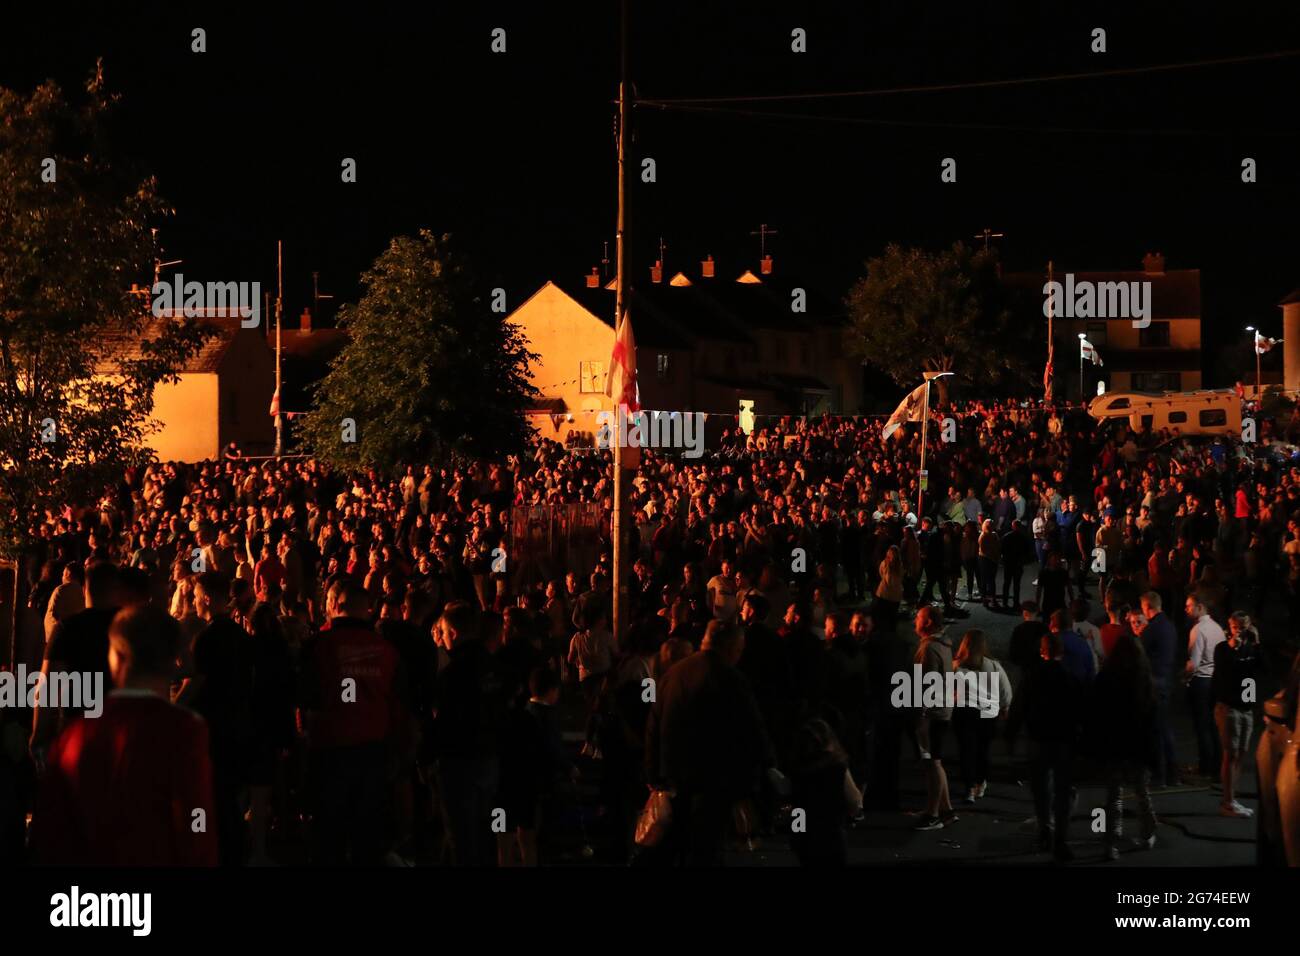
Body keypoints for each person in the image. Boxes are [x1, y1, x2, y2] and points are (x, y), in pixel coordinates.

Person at [31, 605, 218, 866]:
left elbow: (53, 823)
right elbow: (196, 813)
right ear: (173, 659)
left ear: (116, 656)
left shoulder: (77, 733)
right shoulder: (185, 730)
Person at [644, 619, 774, 866]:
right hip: (712, 778)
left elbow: (654, 725)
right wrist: (765, 764)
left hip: (674, 774)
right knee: (707, 846)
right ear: (731, 647)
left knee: (679, 841)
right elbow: (750, 727)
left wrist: (652, 772)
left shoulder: (674, 674)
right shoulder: (729, 678)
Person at [299, 578, 402, 866]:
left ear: (334, 605)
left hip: (330, 750)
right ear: (367, 610)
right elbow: (397, 703)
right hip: (373, 750)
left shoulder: (318, 646)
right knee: (366, 837)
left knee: (327, 836)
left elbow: (306, 700)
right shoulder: (387, 650)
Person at [177, 571, 256, 866]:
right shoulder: (240, 636)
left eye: (196, 596)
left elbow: (196, 683)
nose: (193, 601)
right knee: (229, 801)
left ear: (207, 598)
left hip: (213, 731)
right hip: (238, 727)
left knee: (210, 799)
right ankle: (233, 851)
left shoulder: (207, 638)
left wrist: (174, 709)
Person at [432, 600, 506, 866]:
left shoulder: (453, 673)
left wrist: (430, 753)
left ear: (452, 633)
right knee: (485, 830)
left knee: (461, 833)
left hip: (459, 759)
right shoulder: (494, 665)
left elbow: (444, 719)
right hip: (489, 756)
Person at [1088, 632, 1158, 860]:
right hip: (1137, 745)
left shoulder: (1107, 677)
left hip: (1113, 744)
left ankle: (1110, 843)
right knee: (1141, 793)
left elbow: (1096, 714)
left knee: (1113, 796)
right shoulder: (1144, 679)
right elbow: (1152, 719)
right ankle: (1148, 833)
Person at [1024, 628, 1083, 861]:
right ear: (1061, 652)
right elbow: (1081, 710)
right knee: (1063, 790)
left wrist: (1010, 733)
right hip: (1064, 741)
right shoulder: (1070, 677)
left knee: (1040, 789)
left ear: (1042, 652)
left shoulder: (1032, 675)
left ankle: (1044, 828)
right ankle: (1061, 837)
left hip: (1038, 738)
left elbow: (1021, 704)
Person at [787, 718, 861, 866]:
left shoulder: (798, 771)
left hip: (806, 838)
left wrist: (797, 836)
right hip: (832, 837)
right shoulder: (837, 767)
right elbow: (855, 803)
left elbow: (797, 808)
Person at [953, 629, 1011, 804]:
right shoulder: (993, 665)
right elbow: (1005, 690)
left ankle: (969, 788)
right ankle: (981, 782)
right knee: (983, 749)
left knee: (966, 750)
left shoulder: (956, 665)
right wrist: (1005, 706)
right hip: (987, 710)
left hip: (964, 711)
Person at [912, 606, 956, 831]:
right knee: (936, 761)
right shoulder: (943, 645)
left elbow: (926, 684)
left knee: (932, 763)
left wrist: (920, 715)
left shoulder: (928, 649)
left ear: (928, 622)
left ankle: (933, 814)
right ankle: (946, 809)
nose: (915, 621)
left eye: (918, 617)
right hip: (943, 709)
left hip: (932, 713)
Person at [1212, 613, 1260, 818]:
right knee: (1230, 754)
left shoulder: (1252, 649)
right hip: (1229, 707)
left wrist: (1257, 643)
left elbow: (1263, 668)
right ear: (1229, 627)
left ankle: (1232, 797)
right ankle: (1228, 801)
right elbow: (1224, 671)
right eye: (1234, 627)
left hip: (1246, 707)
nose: (1237, 631)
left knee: (1241, 752)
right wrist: (1233, 647)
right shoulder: (1223, 649)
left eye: (1242, 627)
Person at [1138, 591, 1180, 788]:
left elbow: (1141, 654)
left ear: (1148, 607)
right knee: (1165, 729)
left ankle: (1159, 775)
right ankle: (1173, 773)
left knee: (1155, 731)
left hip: (1154, 682)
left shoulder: (1151, 629)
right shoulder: (1170, 626)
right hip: (1167, 679)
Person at [1184, 596, 1225, 781]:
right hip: (1216, 679)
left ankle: (1205, 766)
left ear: (1200, 607)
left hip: (1201, 681)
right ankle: (1217, 764)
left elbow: (1193, 663)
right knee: (1214, 725)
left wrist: (1182, 677)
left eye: (1189, 605)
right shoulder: (1217, 628)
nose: (1186, 609)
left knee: (1202, 725)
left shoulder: (1198, 630)